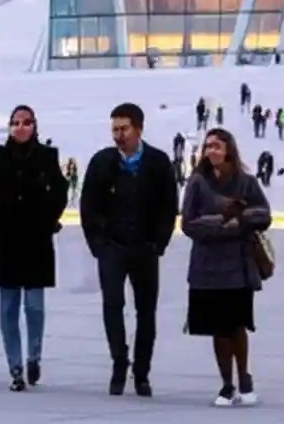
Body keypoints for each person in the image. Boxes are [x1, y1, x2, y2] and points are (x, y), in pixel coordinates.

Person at [79, 103, 178, 397]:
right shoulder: (102, 162)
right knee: (112, 305)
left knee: (146, 311)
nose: (118, 135)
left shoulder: (158, 162)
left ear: (139, 129)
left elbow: (168, 206)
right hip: (112, 247)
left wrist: (158, 243)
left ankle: (142, 371)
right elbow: (88, 205)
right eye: (115, 129)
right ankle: (119, 361)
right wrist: (98, 243)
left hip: (145, 248)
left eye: (124, 129)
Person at [180, 128, 272, 407]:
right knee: (218, 329)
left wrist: (240, 219)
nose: (211, 151)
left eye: (217, 146)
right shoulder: (197, 182)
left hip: (239, 265)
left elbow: (264, 215)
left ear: (228, 149)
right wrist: (222, 222)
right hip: (208, 266)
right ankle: (226, 385)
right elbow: (188, 223)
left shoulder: (246, 182)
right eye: (207, 146)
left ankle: (244, 379)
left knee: (237, 325)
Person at [0, 105, 67, 391]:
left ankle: (34, 357)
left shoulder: (46, 156)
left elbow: (60, 190)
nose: (20, 128)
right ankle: (15, 366)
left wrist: (49, 219)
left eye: (26, 122)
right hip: (6, 238)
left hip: (36, 237)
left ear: (34, 126)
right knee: (8, 307)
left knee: (34, 305)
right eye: (15, 123)